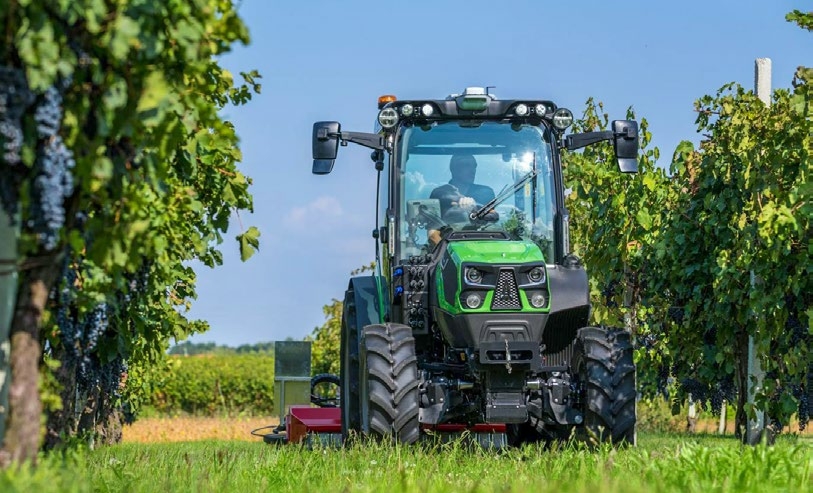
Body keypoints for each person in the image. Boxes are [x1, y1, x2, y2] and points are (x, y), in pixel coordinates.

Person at [426, 154, 496, 244]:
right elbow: (432, 232)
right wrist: (447, 252)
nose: (472, 170)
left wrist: (475, 208)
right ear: (453, 169)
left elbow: (494, 217)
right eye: (466, 165)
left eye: (474, 166)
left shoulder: (485, 193)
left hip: (484, 244)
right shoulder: (440, 194)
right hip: (449, 246)